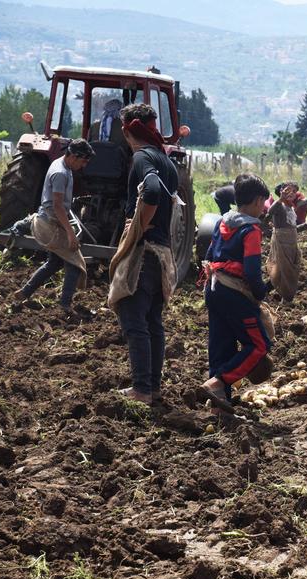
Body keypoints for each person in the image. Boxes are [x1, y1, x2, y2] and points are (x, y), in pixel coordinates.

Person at [115, 103, 180, 403]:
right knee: (153, 320)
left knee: (133, 317)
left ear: (128, 129)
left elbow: (151, 191)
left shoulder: (141, 156)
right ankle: (152, 387)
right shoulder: (165, 159)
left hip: (144, 251)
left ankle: (141, 389)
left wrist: (137, 227)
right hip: (163, 251)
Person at [199, 174, 273, 405]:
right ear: (257, 201)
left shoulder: (223, 222)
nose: (263, 209)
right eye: (263, 203)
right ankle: (218, 382)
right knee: (259, 344)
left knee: (221, 345)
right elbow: (251, 271)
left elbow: (209, 255)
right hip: (234, 293)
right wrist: (261, 292)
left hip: (213, 289)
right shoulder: (250, 230)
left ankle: (220, 405)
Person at [14, 139, 94, 313]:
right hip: (50, 223)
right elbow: (57, 206)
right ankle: (65, 305)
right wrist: (71, 234)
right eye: (84, 161)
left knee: (54, 262)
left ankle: (25, 292)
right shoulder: (60, 173)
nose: (85, 165)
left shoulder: (62, 165)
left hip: (51, 219)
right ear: (73, 156)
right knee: (74, 263)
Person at [267, 181, 302, 301]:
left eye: (294, 191)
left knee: (290, 267)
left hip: (291, 241)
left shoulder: (290, 206)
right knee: (283, 268)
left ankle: (281, 293)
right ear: (281, 191)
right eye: (288, 190)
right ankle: (284, 295)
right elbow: (269, 212)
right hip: (282, 241)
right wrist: (281, 199)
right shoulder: (279, 205)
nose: (291, 193)